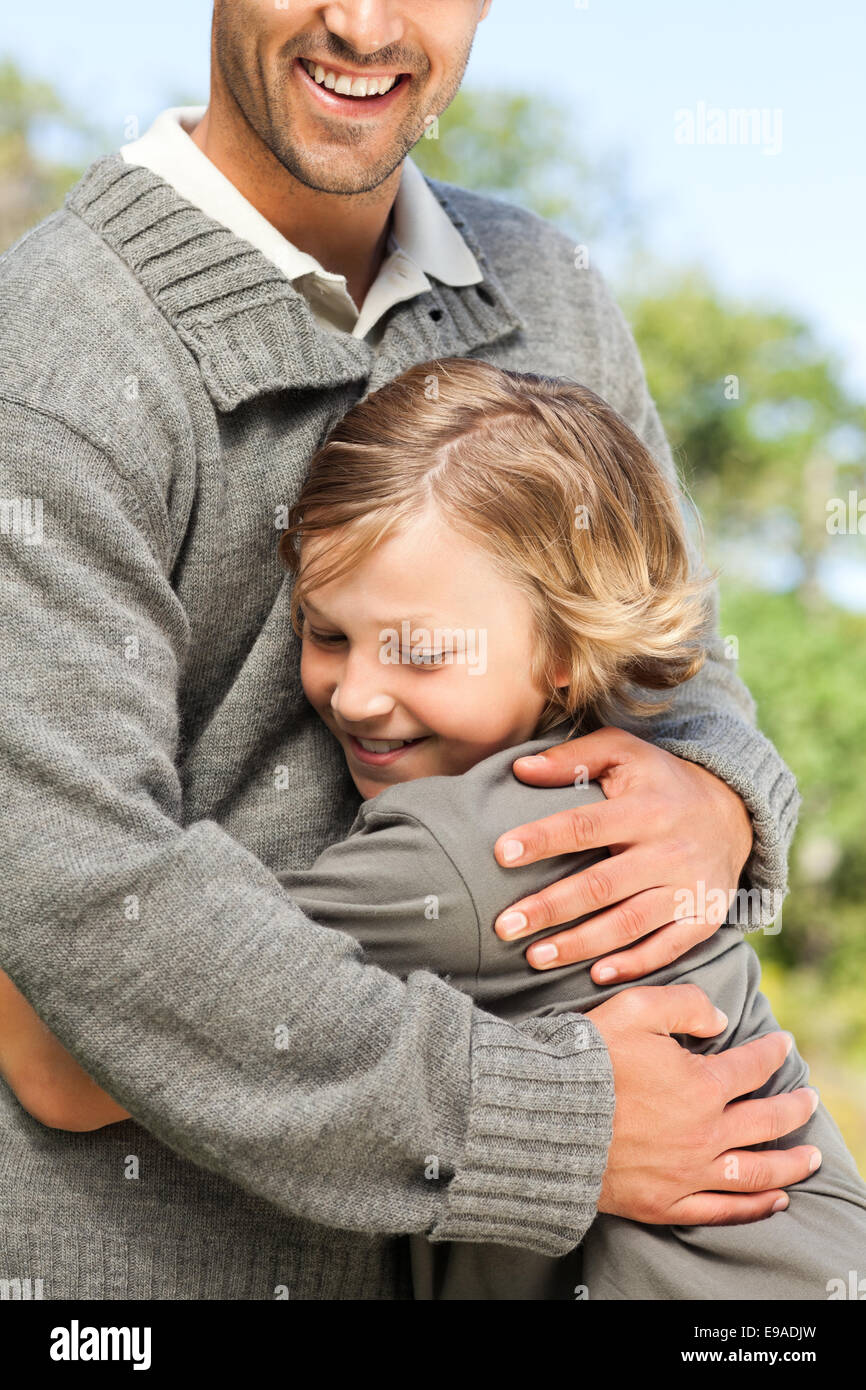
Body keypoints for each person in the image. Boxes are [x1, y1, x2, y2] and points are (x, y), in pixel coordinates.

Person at [0, 2, 809, 1299]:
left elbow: (673, 655)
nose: (367, 24)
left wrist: (716, 794)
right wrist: (559, 1121)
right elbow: (82, 927)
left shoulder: (547, 287)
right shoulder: (53, 354)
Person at [4, 359, 855, 1302]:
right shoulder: (606, 780)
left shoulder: (477, 854)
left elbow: (69, 1054)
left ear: (567, 654)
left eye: (420, 651)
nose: (359, 695)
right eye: (325, 635)